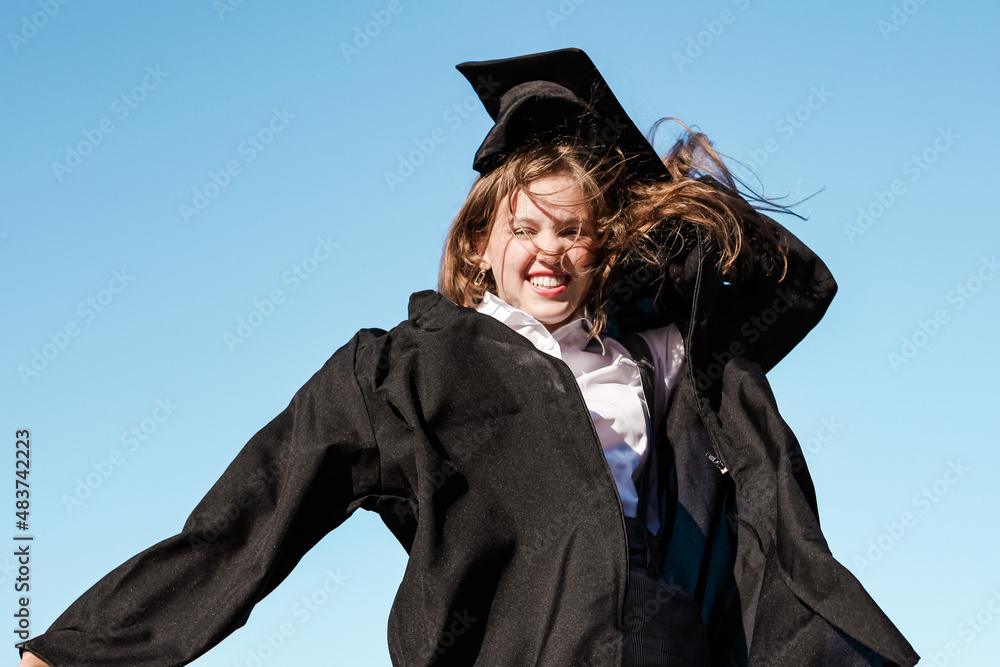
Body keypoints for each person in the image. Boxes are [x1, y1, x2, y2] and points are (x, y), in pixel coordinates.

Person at [17, 48, 918, 667]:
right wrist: (81, 647)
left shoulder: (665, 366)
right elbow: (250, 519)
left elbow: (788, 283)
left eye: (576, 232)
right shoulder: (407, 372)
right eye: (527, 226)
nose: (549, 251)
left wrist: (654, 193)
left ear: (607, 250)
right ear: (482, 237)